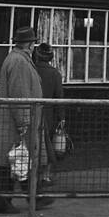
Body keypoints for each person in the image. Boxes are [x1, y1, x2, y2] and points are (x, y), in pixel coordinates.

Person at [0, 26, 50, 214]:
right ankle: (25, 199)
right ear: (31, 44)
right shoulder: (19, 62)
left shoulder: (17, 59)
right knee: (16, 160)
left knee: (17, 161)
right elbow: (20, 92)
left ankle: (33, 197)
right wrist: (24, 122)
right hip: (18, 123)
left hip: (15, 120)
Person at [33, 43, 65, 185]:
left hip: (32, 111)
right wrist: (61, 117)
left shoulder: (32, 70)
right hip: (49, 114)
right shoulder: (55, 73)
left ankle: (31, 175)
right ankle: (45, 175)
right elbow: (59, 97)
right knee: (49, 145)